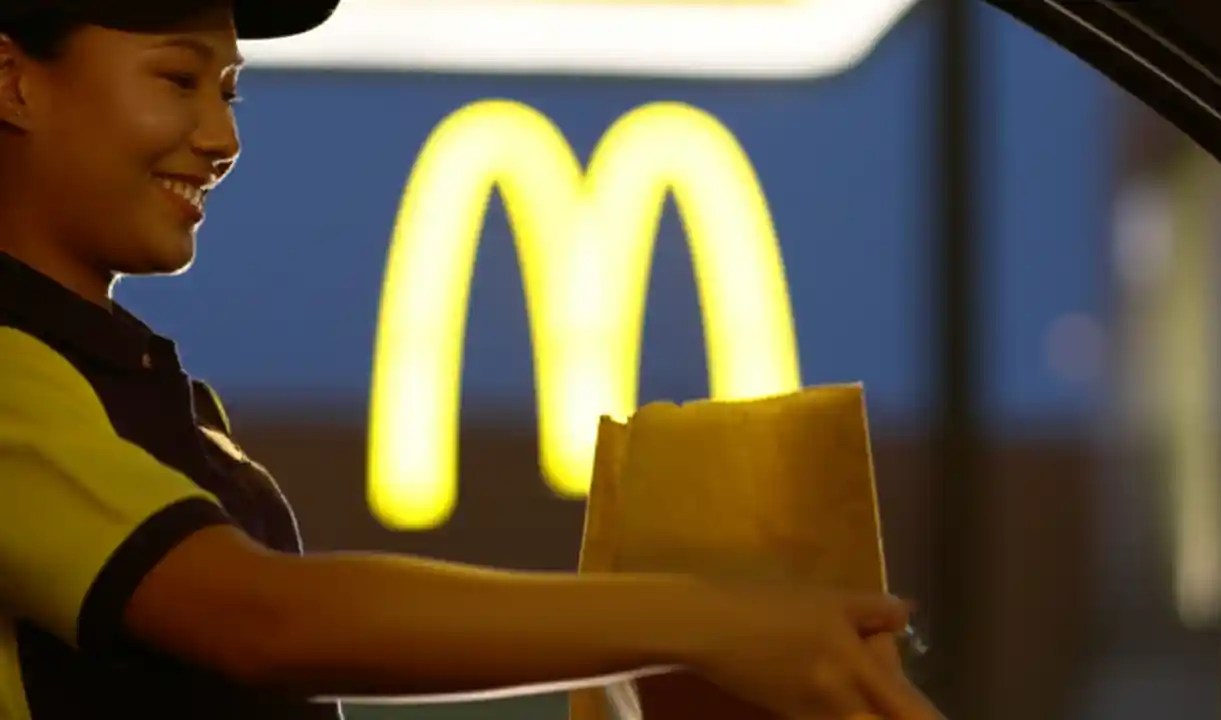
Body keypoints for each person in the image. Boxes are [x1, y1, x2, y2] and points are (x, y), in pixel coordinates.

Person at [0, 1, 943, 718]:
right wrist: (710, 621)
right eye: (178, 80)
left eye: (230, 91)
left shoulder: (138, 395)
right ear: (14, 81)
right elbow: (265, 621)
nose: (223, 137)